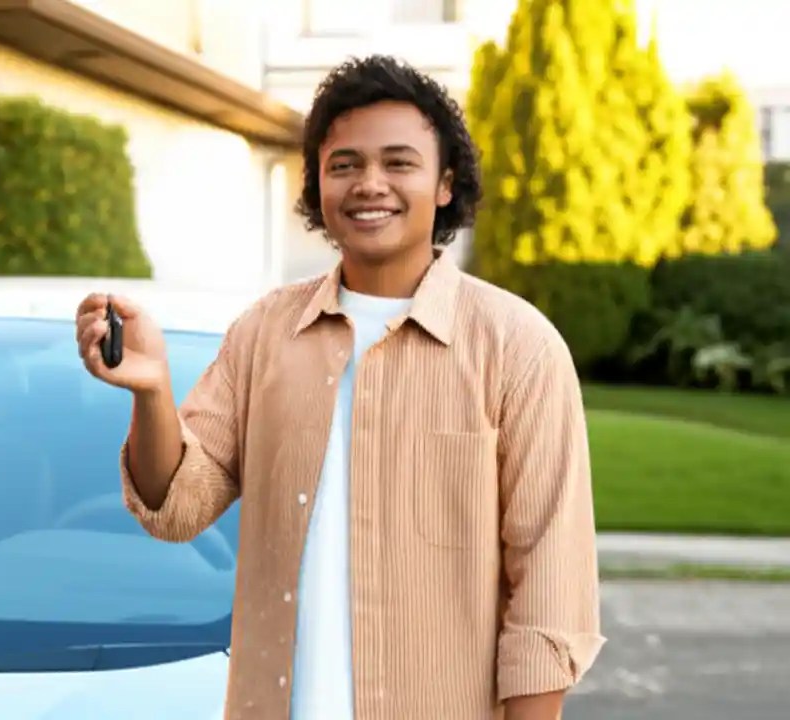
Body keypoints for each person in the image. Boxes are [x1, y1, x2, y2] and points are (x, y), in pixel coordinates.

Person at [74, 54, 604, 720]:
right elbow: (176, 508)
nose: (369, 184)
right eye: (345, 164)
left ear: (444, 183)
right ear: (318, 183)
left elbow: (550, 602)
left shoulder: (517, 347)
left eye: (398, 162)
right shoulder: (264, 333)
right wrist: (151, 391)